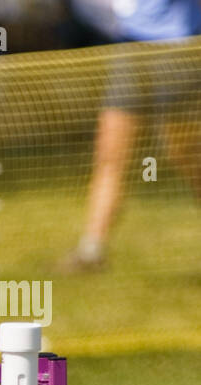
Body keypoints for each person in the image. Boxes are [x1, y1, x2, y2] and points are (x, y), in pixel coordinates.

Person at [59, 0, 201, 273]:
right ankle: (91, 251)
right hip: (130, 48)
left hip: (180, 49)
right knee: (109, 152)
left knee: (186, 155)